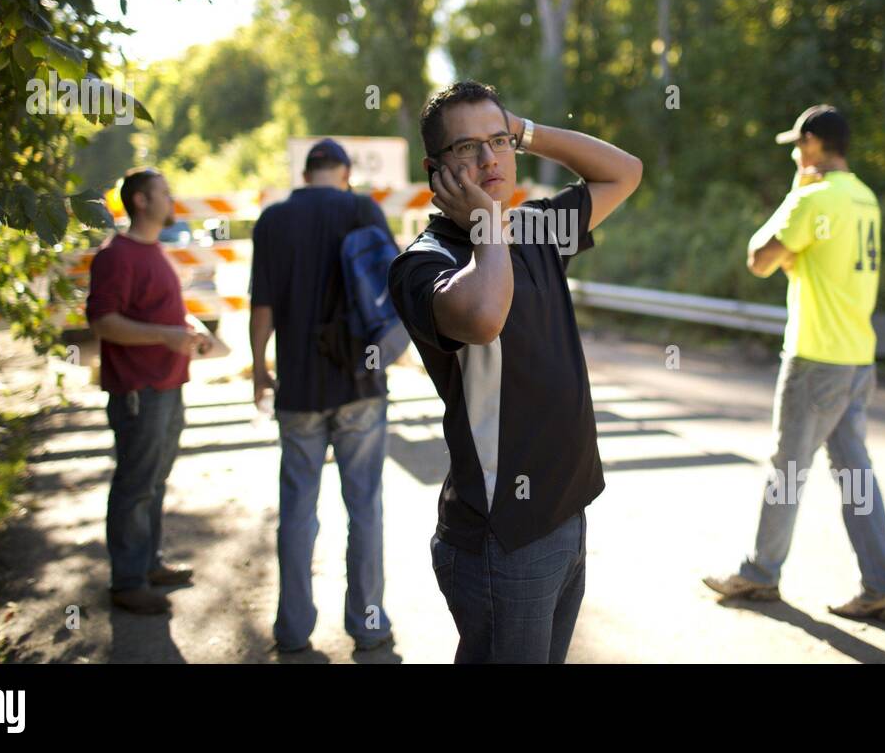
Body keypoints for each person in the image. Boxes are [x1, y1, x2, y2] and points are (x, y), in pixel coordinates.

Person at [388, 80, 642, 663]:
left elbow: (623, 172)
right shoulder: (423, 263)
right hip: (503, 536)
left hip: (566, 513)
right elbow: (481, 315)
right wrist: (485, 224)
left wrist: (527, 132)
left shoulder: (532, 229)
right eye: (466, 148)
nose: (488, 158)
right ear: (435, 170)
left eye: (498, 141)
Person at [704, 105, 885, 622]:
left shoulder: (813, 198)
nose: (796, 153)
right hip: (858, 359)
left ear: (816, 145)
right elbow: (808, 257)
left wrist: (795, 193)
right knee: (855, 475)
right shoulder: (864, 197)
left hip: (816, 358)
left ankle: (759, 576)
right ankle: (884, 585)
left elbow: (758, 258)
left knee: (787, 470)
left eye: (799, 144)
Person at [250, 139, 396, 653]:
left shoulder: (272, 220)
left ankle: (292, 630)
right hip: (360, 381)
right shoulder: (360, 208)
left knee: (296, 511)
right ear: (345, 172)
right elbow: (391, 290)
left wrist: (259, 371)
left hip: (299, 388)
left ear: (306, 172)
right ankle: (368, 623)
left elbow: (261, 305)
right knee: (364, 508)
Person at [87, 168, 210, 615]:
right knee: (135, 485)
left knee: (154, 481)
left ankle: (147, 563)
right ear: (140, 201)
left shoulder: (153, 250)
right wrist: (164, 336)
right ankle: (128, 582)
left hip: (167, 386)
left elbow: (159, 313)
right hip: (138, 390)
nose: (171, 198)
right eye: (163, 192)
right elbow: (103, 322)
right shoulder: (115, 256)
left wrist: (189, 329)